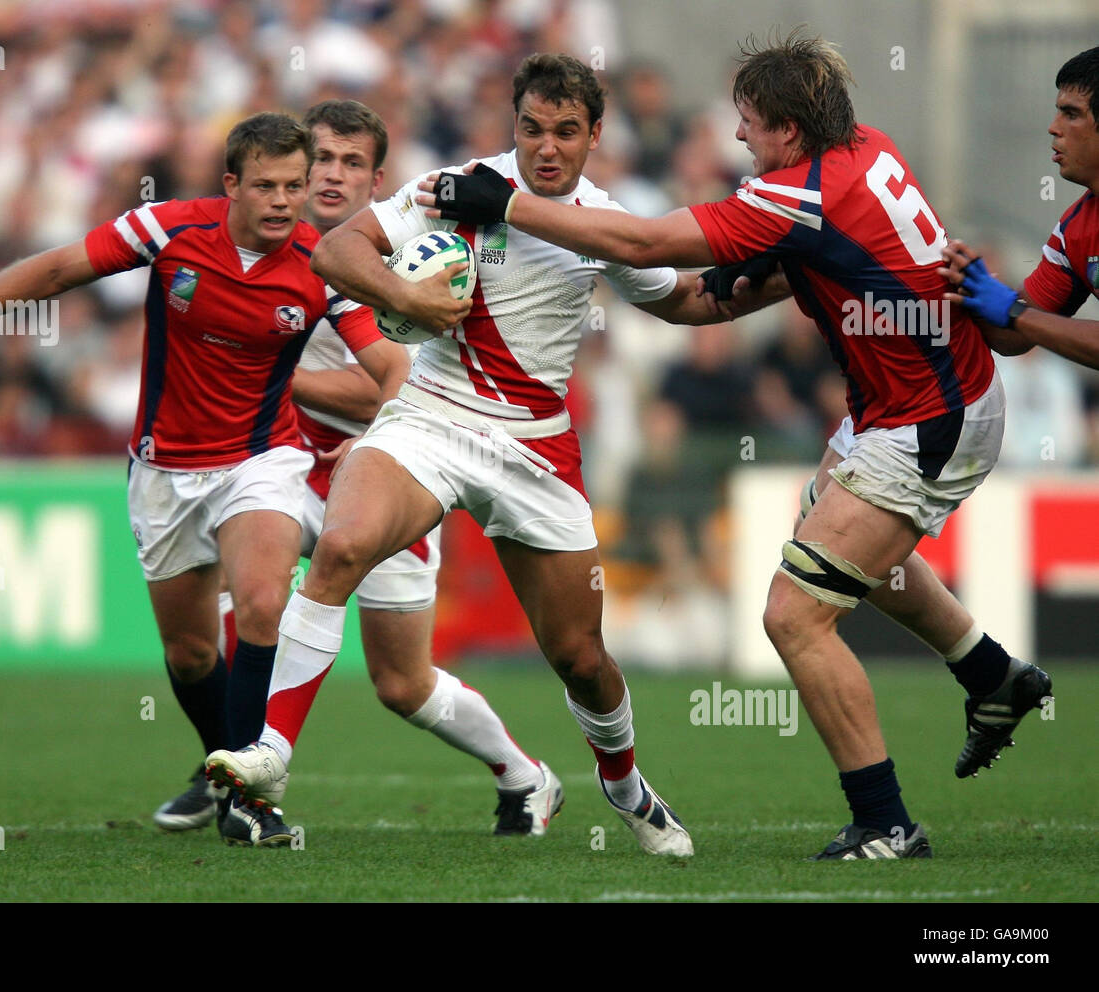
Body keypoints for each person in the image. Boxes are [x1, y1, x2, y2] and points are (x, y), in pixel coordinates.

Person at [422, 31, 1053, 860]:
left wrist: (500, 203)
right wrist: (751, 278)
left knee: (795, 617)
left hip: (927, 414)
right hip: (905, 399)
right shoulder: (868, 147)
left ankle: (886, 821)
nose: (739, 138)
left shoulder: (799, 193)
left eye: (750, 121)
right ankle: (992, 676)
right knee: (842, 546)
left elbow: (645, 244)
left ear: (791, 129)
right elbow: (825, 255)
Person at [206, 54, 757, 858]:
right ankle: (273, 757)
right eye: (532, 127)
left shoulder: (604, 222)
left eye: (566, 132)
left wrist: (779, 280)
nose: (546, 147)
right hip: (430, 416)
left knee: (581, 658)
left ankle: (624, 783)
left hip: (536, 451)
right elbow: (338, 253)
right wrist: (407, 297)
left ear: (595, 136)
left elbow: (684, 300)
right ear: (515, 123)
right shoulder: (455, 187)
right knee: (343, 545)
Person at [0, 112, 408, 847]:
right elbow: (60, 269)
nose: (285, 200)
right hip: (164, 470)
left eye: (294, 185)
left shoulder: (324, 264)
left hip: (263, 461)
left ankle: (254, 796)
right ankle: (223, 770)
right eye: (267, 186)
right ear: (232, 186)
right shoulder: (169, 230)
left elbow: (390, 369)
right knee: (190, 654)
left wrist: (382, 435)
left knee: (260, 602)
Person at [160, 100, 561, 839]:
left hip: (380, 483)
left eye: (352, 164)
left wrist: (271, 374)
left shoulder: (404, 259)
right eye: (321, 161)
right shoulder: (269, 240)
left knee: (400, 684)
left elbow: (396, 379)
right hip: (281, 469)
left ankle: (525, 775)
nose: (332, 176)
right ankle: (238, 775)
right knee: (243, 601)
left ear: (379, 179)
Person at [938, 47, 1099, 368]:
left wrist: (1014, 312)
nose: (1053, 127)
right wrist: (971, 291)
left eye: (1071, 114)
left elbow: (1022, 319)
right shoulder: (1075, 228)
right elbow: (1014, 337)